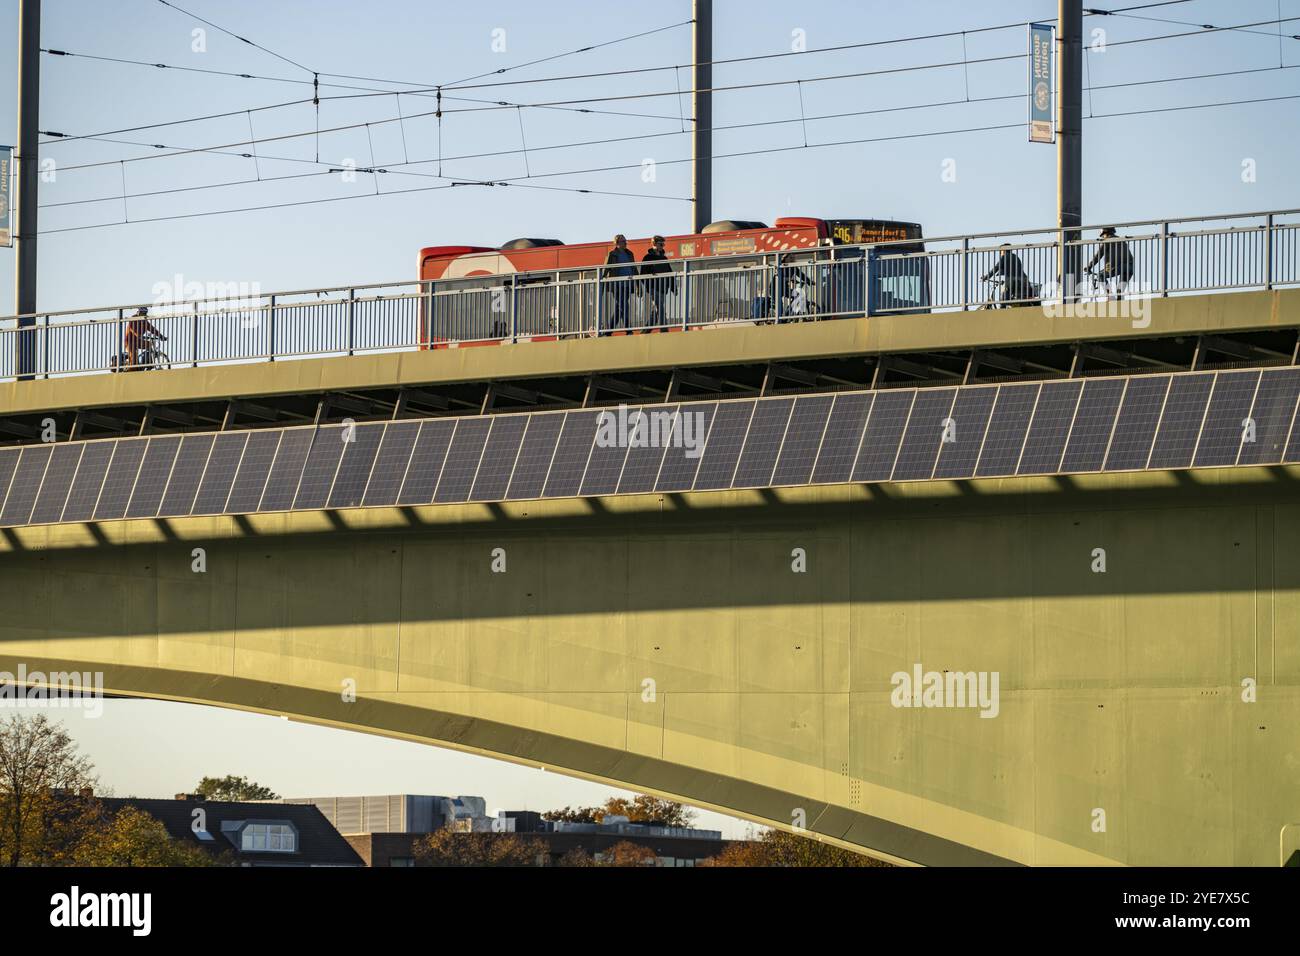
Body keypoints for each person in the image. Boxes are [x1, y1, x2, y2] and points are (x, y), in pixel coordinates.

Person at [1086, 226, 1135, 297]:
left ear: (1106, 234)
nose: (1103, 238)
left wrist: (1089, 266)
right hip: (1129, 267)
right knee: (1120, 291)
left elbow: (1098, 255)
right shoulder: (1121, 240)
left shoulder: (1108, 240)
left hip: (1117, 266)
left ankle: (1110, 295)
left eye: (1103, 236)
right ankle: (1119, 297)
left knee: (1100, 275)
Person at [639, 235, 675, 330]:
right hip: (653, 287)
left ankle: (647, 329)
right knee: (660, 307)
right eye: (661, 244)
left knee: (657, 308)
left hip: (663, 288)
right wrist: (648, 286)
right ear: (654, 244)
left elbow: (669, 273)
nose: (662, 246)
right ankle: (664, 328)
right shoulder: (647, 258)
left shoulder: (664, 258)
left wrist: (673, 287)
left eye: (663, 244)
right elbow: (642, 274)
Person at [603, 234, 636, 334]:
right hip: (616, 285)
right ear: (617, 243)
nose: (625, 243)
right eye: (623, 241)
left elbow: (633, 268)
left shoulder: (630, 254)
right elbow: (606, 269)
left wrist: (638, 284)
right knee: (624, 306)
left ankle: (608, 331)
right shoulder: (612, 254)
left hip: (627, 285)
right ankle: (629, 330)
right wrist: (602, 283)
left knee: (620, 308)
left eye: (626, 241)